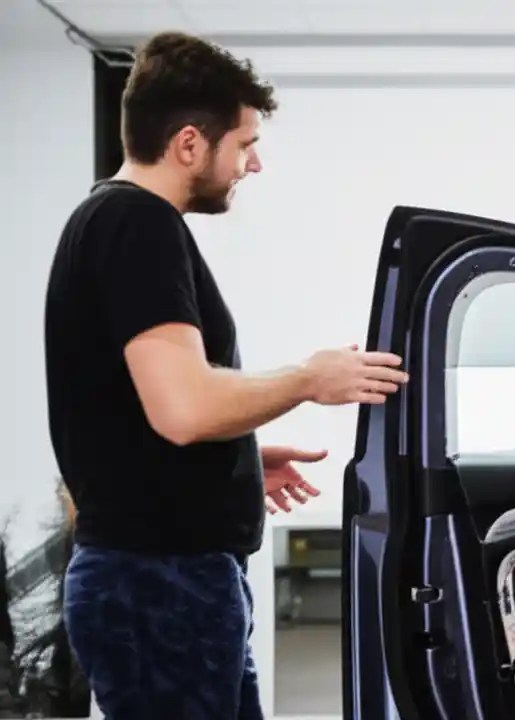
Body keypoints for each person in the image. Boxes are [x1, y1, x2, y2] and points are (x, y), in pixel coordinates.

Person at [42, 32, 408, 719]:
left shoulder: (115, 223)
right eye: (243, 144)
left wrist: (234, 458)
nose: (254, 163)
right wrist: (309, 378)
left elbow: (143, 411)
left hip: (169, 583)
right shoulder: (135, 226)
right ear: (188, 143)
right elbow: (182, 408)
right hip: (159, 588)